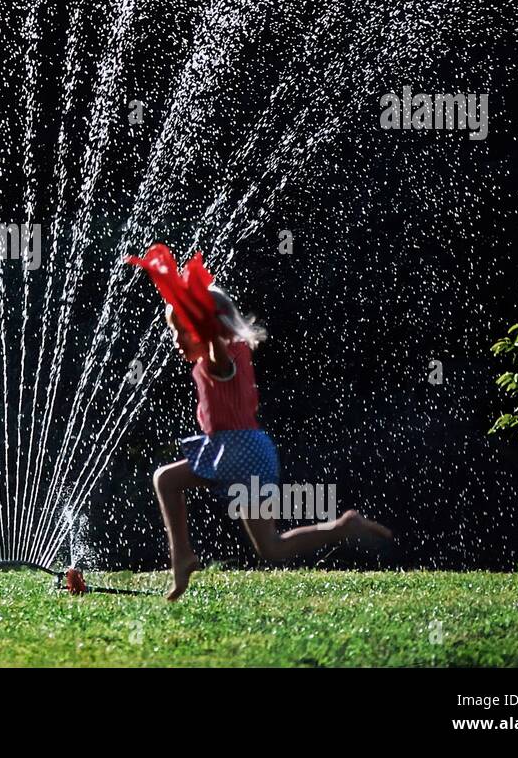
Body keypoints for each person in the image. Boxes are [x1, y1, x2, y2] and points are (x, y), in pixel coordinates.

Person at [128, 244, 393, 601]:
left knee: (165, 478)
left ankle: (182, 557)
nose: (175, 340)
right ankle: (342, 527)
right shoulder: (225, 355)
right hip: (254, 453)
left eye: (181, 331)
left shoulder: (218, 359)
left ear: (206, 329)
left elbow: (214, 347)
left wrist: (206, 329)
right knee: (272, 548)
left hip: (235, 450)